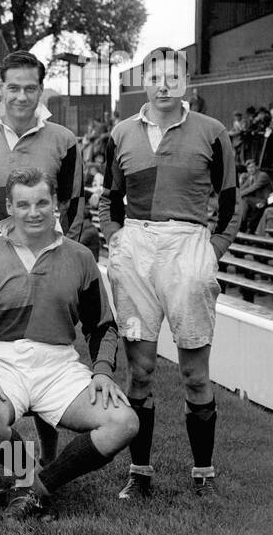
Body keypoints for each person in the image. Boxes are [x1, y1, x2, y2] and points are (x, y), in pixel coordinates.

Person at [99, 46, 239, 499]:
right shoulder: (121, 133)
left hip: (187, 244)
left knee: (195, 372)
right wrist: (115, 238)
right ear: (144, 80)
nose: (163, 84)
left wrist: (213, 250)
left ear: (186, 82)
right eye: (155, 76)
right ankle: (140, 472)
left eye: (172, 76)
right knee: (140, 370)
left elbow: (233, 203)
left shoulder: (213, 132)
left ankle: (203, 473)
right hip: (136, 245)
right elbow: (108, 198)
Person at [0, 168, 136, 521]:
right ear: (9, 207)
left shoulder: (79, 256)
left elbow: (102, 326)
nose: (34, 212)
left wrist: (101, 372)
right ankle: (19, 476)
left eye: (42, 202)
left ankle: (38, 486)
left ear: (56, 203)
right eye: (23, 204)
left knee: (124, 423)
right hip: (4, 361)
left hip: (58, 365)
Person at [0, 48, 84, 466]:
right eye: (13, 87)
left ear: (41, 90)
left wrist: (66, 253)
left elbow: (75, 202)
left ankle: (46, 447)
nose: (21, 97)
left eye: (30, 88)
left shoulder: (63, 139)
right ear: (0, 88)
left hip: (45, 244)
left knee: (43, 339)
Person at [236, 159, 273, 235]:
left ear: (257, 167)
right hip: (256, 201)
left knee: (245, 199)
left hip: (266, 201)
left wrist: (237, 196)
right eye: (249, 168)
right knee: (243, 200)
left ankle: (243, 225)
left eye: (252, 167)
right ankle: (243, 226)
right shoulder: (250, 177)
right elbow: (242, 188)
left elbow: (252, 188)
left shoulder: (262, 175)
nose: (251, 169)